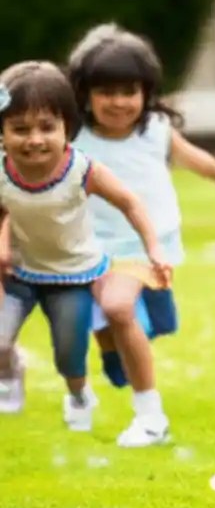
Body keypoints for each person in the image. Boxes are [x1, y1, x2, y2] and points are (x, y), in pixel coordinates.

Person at [66, 23, 215, 447]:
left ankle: (151, 418)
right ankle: (115, 349)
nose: (119, 102)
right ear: (85, 93)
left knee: (120, 307)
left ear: (146, 91)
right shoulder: (74, 135)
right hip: (90, 250)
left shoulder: (155, 130)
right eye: (106, 92)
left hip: (146, 246)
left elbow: (193, 157)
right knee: (109, 320)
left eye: (129, 91)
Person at [0, 61, 172, 436]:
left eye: (47, 128)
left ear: (67, 128)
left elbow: (130, 202)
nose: (34, 140)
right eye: (19, 129)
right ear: (2, 133)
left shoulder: (82, 170)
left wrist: (154, 248)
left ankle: (79, 396)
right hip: (19, 275)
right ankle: (10, 368)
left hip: (72, 277)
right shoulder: (1, 171)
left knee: (68, 354)